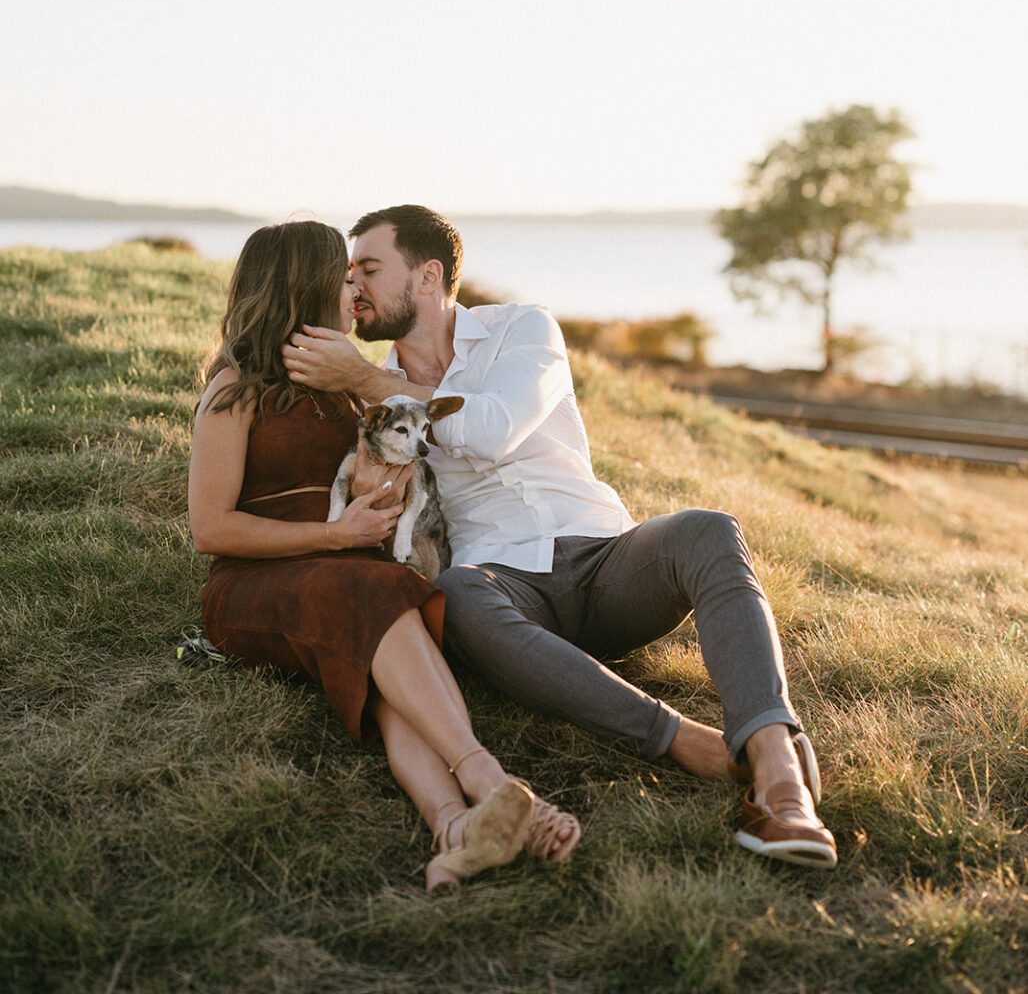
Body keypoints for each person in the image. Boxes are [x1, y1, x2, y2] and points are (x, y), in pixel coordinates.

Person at [282, 205, 838, 869]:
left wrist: (373, 381)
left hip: (607, 561)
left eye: (369, 269)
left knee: (708, 530)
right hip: (502, 589)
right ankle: (684, 740)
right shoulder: (369, 407)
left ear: (427, 277)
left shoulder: (522, 329)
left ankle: (778, 769)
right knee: (456, 594)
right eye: (351, 275)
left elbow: (491, 427)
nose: (355, 288)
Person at [188, 221, 581, 892]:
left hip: (349, 573)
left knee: (388, 656)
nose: (356, 297)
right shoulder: (236, 386)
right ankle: (491, 780)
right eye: (345, 282)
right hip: (257, 580)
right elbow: (210, 529)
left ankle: (453, 830)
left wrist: (385, 499)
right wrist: (331, 538)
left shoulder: (354, 389)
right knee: (369, 599)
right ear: (306, 289)